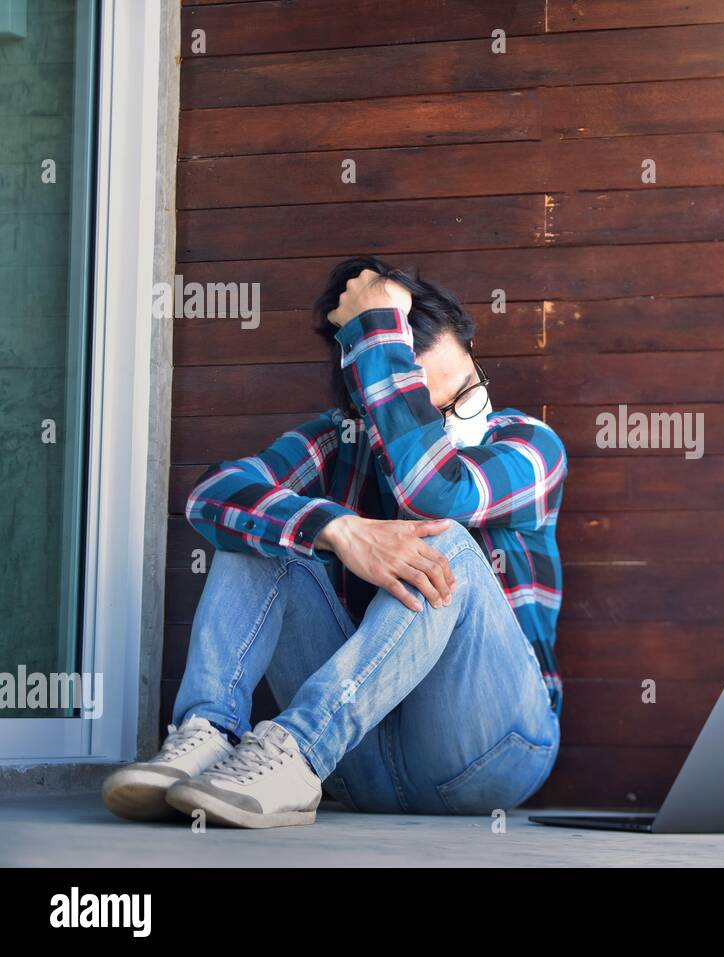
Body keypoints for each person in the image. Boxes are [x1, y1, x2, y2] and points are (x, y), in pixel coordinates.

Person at [102, 257, 566, 828]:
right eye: (423, 409)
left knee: (445, 547)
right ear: (372, 405)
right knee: (262, 527)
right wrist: (336, 529)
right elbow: (212, 496)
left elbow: (435, 493)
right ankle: (208, 735)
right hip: (359, 759)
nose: (454, 420)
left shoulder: (529, 445)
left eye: (466, 391)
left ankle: (297, 750)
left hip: (492, 752)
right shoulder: (343, 438)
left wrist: (377, 323)